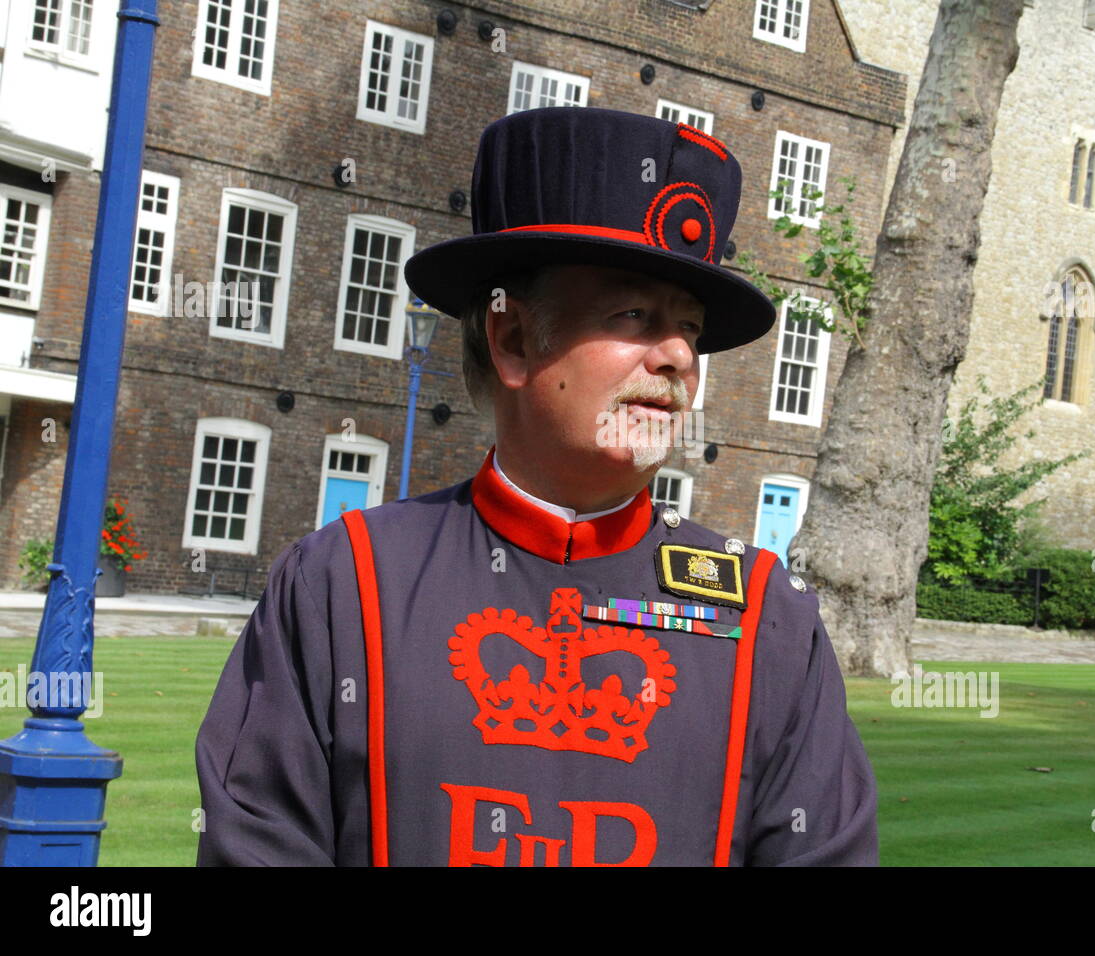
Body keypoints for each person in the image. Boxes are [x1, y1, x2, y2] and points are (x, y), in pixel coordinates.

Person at [195, 106, 878, 866]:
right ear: (513, 338)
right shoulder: (340, 584)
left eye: (689, 326)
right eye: (634, 314)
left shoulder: (765, 618)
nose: (680, 355)